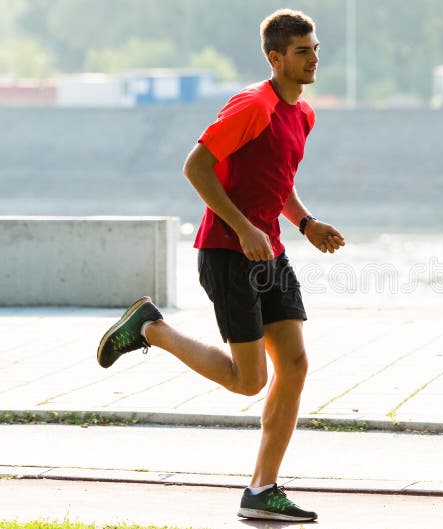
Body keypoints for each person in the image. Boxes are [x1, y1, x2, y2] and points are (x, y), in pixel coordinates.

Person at [96, 9, 344, 522]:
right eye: (303, 51)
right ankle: (152, 328)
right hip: (229, 253)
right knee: (248, 381)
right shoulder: (253, 105)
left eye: (315, 48)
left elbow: (276, 179)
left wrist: (304, 222)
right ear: (275, 59)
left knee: (294, 366)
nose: (314, 57)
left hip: (269, 250)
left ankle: (262, 489)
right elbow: (197, 166)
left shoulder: (303, 114)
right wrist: (243, 228)